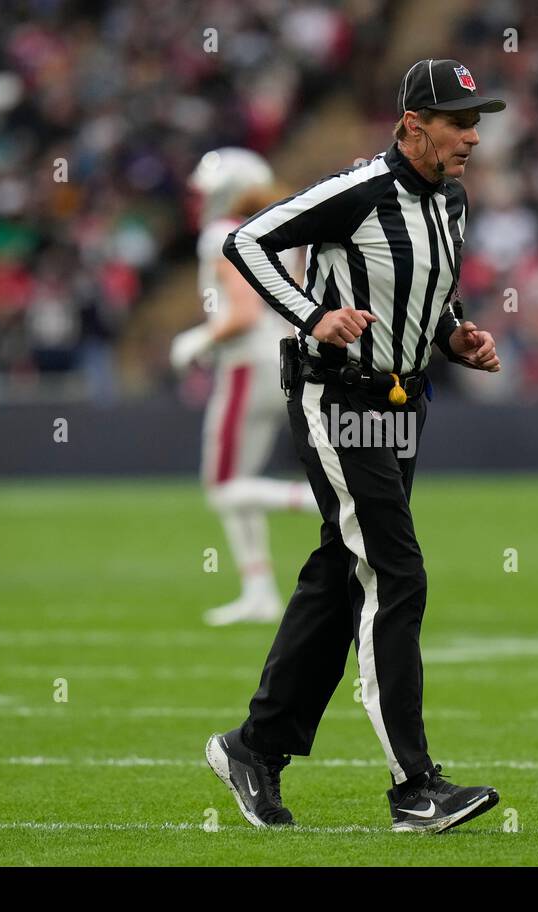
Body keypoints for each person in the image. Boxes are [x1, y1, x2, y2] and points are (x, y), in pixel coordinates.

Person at [205, 59, 504, 833]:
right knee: (396, 572)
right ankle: (415, 786)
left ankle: (255, 745)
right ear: (412, 125)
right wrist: (312, 315)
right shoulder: (357, 190)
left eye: (476, 121)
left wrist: (454, 335)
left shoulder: (452, 199)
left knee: (343, 570)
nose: (472, 136)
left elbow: (431, 287)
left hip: (406, 400)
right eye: (458, 122)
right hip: (337, 399)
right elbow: (249, 240)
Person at [171, 149, 314, 626]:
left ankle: (315, 499)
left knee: (223, 488)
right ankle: (258, 588)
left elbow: (242, 313)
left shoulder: (223, 235)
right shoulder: (282, 233)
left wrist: (199, 338)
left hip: (245, 366)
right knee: (241, 482)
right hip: (285, 362)